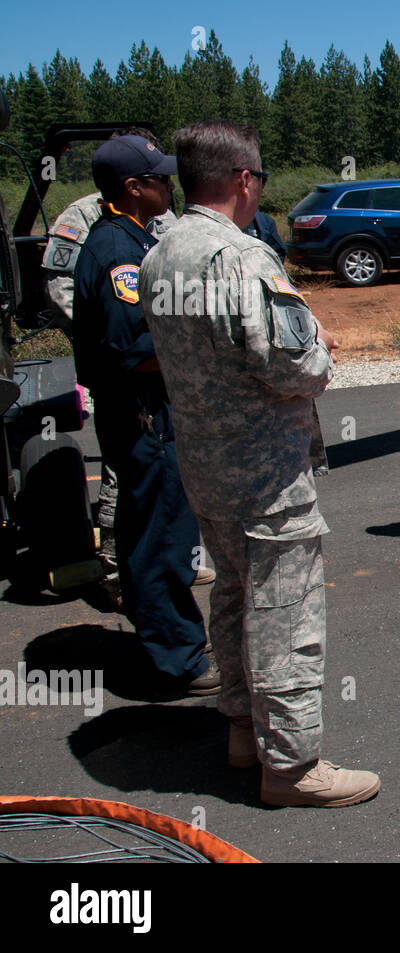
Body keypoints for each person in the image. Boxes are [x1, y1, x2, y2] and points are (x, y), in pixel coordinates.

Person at [141, 119, 379, 808]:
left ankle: (244, 730)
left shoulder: (163, 253)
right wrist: (321, 343)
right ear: (244, 179)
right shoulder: (240, 258)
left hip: (206, 469)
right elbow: (296, 366)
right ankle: (293, 764)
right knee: (286, 611)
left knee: (233, 594)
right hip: (266, 476)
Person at [71, 135, 214, 694]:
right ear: (134, 188)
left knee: (144, 529)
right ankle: (178, 660)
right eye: (159, 177)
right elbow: (135, 351)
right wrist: (206, 355)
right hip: (145, 415)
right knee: (161, 537)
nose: (169, 184)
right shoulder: (118, 253)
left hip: (140, 413)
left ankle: (159, 641)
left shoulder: (129, 239)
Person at [43, 127, 180, 589]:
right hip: (125, 364)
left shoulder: (160, 217)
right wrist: (99, 329)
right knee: (132, 472)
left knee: (163, 476)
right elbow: (61, 283)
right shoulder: (86, 218)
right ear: (129, 180)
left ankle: (164, 560)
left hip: (156, 363)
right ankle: (120, 565)